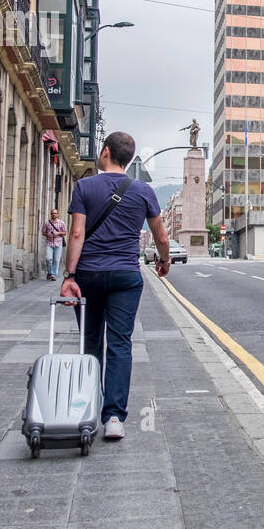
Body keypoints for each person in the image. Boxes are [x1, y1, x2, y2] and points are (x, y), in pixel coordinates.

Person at [60, 132, 168, 440]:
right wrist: (164, 262)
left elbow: (77, 234)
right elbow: (160, 236)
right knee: (120, 344)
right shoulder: (143, 190)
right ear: (129, 158)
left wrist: (69, 277)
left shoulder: (84, 186)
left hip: (89, 275)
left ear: (105, 152)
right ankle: (114, 419)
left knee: (90, 342)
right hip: (124, 276)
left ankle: (89, 408)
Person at [42, 209, 67, 281]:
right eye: (52, 213)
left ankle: (53, 275)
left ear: (57, 214)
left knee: (56, 260)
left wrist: (58, 233)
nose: (54, 214)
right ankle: (49, 272)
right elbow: (43, 232)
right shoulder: (47, 223)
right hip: (49, 243)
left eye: (55, 213)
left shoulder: (61, 223)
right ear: (51, 214)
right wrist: (48, 234)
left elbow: (65, 233)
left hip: (58, 243)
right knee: (48, 259)